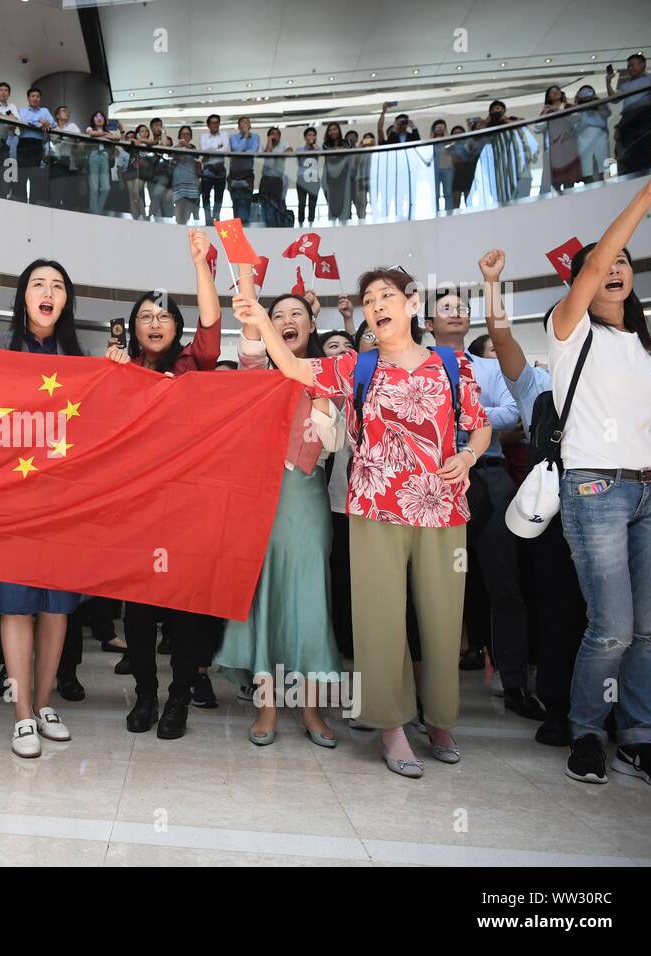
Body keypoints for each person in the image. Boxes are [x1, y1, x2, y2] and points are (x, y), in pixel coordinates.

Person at [236, 266, 491, 778]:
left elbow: (478, 427)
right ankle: (391, 727)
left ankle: (439, 721)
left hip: (442, 507)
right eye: (370, 299)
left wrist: (467, 460)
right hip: (374, 507)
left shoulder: (450, 363)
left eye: (387, 296)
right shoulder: (357, 365)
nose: (377, 305)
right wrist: (263, 323)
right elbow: (295, 370)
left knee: (443, 621)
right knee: (380, 622)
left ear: (412, 304)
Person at [0, 259, 123, 756]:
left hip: (64, 505)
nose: (48, 292)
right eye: (38, 284)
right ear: (23, 297)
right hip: (12, 504)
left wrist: (118, 373)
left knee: (56, 608)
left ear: (66, 300)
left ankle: (45, 702)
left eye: (57, 286)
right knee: (17, 606)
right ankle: (21, 714)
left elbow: (109, 423)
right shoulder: (1, 352)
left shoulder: (83, 361)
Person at [548, 168, 651, 787]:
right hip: (596, 489)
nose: (613, 269)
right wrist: (647, 195)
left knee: (645, 629)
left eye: (623, 262)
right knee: (612, 626)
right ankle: (586, 730)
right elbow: (591, 271)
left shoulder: (647, 348)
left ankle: (638, 737)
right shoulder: (569, 332)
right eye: (601, 263)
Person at [225, 290, 344, 748]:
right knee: (264, 594)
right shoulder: (258, 374)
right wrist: (251, 305)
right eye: (279, 316)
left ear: (312, 326)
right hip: (260, 500)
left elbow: (332, 441)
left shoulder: (332, 373)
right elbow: (251, 347)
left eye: (297, 315)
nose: (288, 321)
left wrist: (313, 388)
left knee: (310, 596)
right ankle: (268, 704)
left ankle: (311, 708)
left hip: (307, 500)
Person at [476, 249, 584, 746]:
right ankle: (559, 709)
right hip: (554, 508)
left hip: (626, 501)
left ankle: (625, 720)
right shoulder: (536, 384)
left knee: (618, 618)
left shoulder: (622, 367)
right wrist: (494, 283)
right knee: (558, 605)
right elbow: (501, 338)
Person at [120, 231, 223, 738]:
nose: (155, 322)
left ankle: (179, 698)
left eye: (163, 316)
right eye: (145, 316)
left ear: (177, 328)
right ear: (133, 330)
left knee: (183, 614)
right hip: (134, 512)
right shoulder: (117, 372)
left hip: (185, 511)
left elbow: (211, 324)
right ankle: (145, 695)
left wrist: (201, 265)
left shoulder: (191, 365)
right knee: (137, 613)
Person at [425, 291, 541, 720]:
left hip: (488, 474)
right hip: (432, 476)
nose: (456, 313)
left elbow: (515, 414)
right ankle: (426, 687)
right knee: (431, 582)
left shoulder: (492, 367)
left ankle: (514, 682)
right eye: (446, 308)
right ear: (428, 322)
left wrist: (462, 416)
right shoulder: (417, 362)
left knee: (504, 581)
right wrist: (477, 416)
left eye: (462, 308)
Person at [614, 54, 651, 176]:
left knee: (642, 145)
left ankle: (645, 176)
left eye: (632, 65)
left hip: (644, 114)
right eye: (628, 66)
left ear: (642, 64)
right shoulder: (625, 85)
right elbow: (614, 99)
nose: (630, 68)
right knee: (623, 148)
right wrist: (608, 82)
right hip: (627, 116)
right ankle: (626, 176)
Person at [537, 85, 579, 192]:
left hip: (569, 146)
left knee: (569, 180)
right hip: (554, 149)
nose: (556, 92)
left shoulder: (569, 106)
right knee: (555, 181)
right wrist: (545, 113)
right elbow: (538, 128)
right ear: (548, 97)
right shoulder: (546, 110)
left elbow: (576, 119)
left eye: (557, 90)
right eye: (552, 92)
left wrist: (558, 110)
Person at [17, 87, 53, 205]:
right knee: (21, 175)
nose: (35, 98)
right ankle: (20, 201)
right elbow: (23, 122)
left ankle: (33, 203)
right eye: (33, 96)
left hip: (37, 144)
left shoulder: (45, 111)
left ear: (40, 99)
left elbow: (52, 124)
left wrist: (46, 123)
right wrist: (39, 122)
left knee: (34, 176)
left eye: (37, 96)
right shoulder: (21, 110)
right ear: (28, 98)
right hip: (23, 142)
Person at [573, 83, 612, 184]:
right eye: (583, 93)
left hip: (601, 137)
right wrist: (577, 102)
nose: (586, 95)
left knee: (603, 167)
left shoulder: (600, 105)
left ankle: (607, 187)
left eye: (589, 92)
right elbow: (573, 118)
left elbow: (607, 113)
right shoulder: (578, 109)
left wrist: (598, 101)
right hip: (583, 139)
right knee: (587, 170)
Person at [85, 110, 121, 215]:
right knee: (94, 187)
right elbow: (92, 133)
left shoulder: (107, 131)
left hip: (105, 156)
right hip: (94, 155)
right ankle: (95, 213)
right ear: (93, 119)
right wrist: (105, 134)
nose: (99, 118)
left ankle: (97, 211)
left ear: (105, 120)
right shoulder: (90, 128)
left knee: (106, 187)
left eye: (101, 116)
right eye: (96, 116)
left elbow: (118, 138)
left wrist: (103, 134)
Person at [198, 114, 229, 224]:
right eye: (213, 123)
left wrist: (211, 151)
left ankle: (216, 219)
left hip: (220, 168)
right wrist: (217, 147)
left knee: (219, 196)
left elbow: (225, 149)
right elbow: (204, 152)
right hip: (208, 169)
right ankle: (208, 220)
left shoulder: (224, 134)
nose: (215, 125)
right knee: (205, 195)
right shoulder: (203, 136)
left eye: (217, 122)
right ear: (208, 125)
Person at [227, 116, 259, 221]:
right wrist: (245, 136)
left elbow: (253, 151)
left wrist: (242, 151)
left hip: (248, 174)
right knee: (236, 204)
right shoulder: (233, 137)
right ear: (238, 126)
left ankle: (246, 228)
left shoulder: (255, 137)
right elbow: (236, 150)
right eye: (242, 122)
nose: (245, 124)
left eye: (247, 122)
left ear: (250, 125)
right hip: (235, 174)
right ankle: (238, 228)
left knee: (247, 202)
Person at [169, 125, 201, 224]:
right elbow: (170, 159)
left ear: (190, 137)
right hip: (178, 183)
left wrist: (186, 146)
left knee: (187, 216)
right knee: (178, 214)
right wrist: (178, 148)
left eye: (187, 134)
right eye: (183, 134)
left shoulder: (192, 148)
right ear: (179, 136)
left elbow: (197, 155)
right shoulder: (175, 148)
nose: (185, 136)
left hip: (191, 184)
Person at [321, 122, 351, 223]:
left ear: (339, 130)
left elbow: (349, 150)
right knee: (332, 202)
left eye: (335, 129)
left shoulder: (347, 142)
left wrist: (337, 150)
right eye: (330, 130)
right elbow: (329, 153)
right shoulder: (326, 144)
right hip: (331, 177)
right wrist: (339, 150)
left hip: (344, 176)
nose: (332, 131)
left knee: (345, 202)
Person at [295, 126, 320, 226]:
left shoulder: (317, 148)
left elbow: (318, 152)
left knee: (312, 203)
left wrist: (313, 145)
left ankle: (311, 224)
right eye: (309, 135)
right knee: (301, 203)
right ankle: (300, 224)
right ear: (305, 137)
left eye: (313, 135)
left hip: (314, 179)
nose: (311, 137)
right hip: (302, 178)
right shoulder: (299, 150)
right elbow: (300, 161)